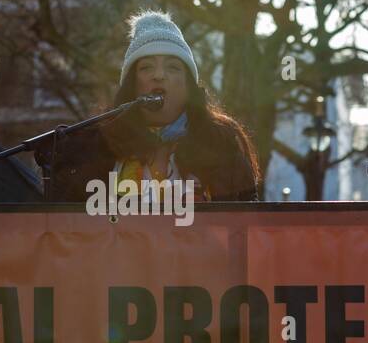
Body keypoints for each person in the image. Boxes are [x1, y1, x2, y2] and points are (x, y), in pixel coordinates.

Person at [41, 10, 261, 202]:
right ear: (132, 85)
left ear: (188, 87)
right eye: (146, 68)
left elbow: (246, 228)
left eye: (173, 67)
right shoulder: (97, 145)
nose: (158, 75)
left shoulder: (220, 141)